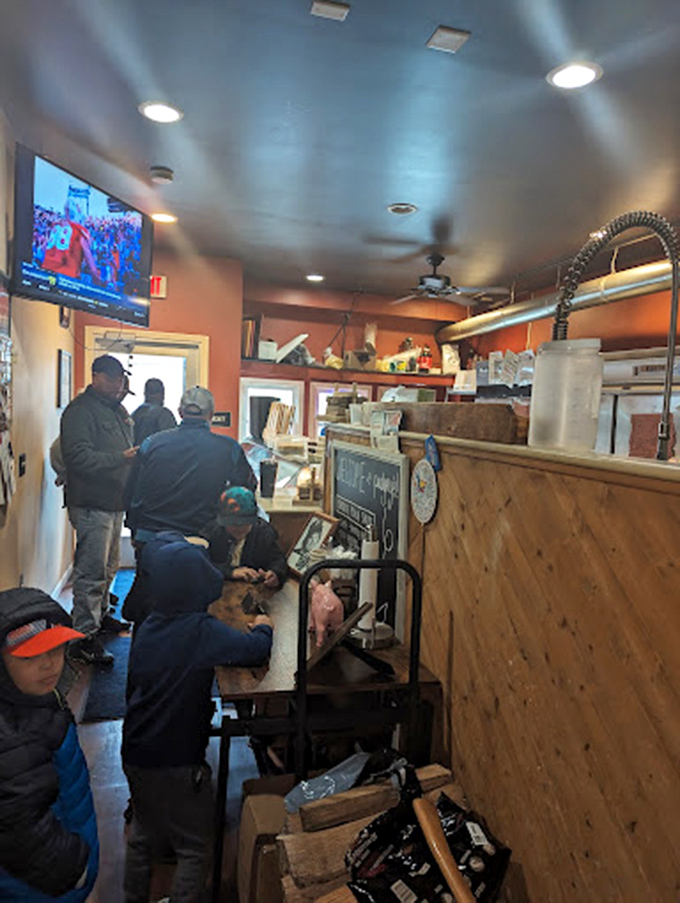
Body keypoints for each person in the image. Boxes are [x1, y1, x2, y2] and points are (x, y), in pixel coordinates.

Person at [122, 536, 273, 903]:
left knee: (143, 837)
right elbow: (254, 650)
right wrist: (265, 625)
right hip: (177, 759)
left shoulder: (150, 624)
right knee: (194, 847)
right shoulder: (200, 631)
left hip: (135, 755)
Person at [123, 386, 257, 623]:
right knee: (193, 609)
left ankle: (144, 653)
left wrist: (134, 529)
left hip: (151, 539)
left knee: (149, 605)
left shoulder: (151, 444)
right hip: (199, 542)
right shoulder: (229, 448)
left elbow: (132, 492)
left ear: (180, 412)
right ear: (211, 414)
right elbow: (244, 490)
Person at [0, 587, 99, 900]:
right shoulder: (11, 737)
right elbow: (17, 827)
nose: (50, 665)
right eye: (31, 655)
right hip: (43, 885)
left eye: (56, 649)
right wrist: (75, 869)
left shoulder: (35, 697)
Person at [60, 354, 137, 666]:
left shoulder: (116, 409)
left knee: (109, 567)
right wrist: (122, 458)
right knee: (91, 571)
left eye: (120, 379)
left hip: (114, 502)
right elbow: (78, 457)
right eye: (113, 378)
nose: (118, 384)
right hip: (92, 503)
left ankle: (102, 616)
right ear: (97, 377)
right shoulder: (80, 411)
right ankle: (83, 638)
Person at [209, 486, 287, 589]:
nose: (238, 528)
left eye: (244, 524)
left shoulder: (264, 533)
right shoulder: (213, 533)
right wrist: (230, 572)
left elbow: (278, 560)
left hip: (253, 589)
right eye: (232, 524)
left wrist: (276, 574)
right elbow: (203, 563)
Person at [41, 184, 100, 282]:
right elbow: (90, 261)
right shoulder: (78, 231)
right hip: (66, 279)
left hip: (47, 275)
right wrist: (97, 278)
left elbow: (43, 249)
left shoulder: (56, 227)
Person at [131, 377, 177, 446]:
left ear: (145, 393)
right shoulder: (164, 414)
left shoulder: (134, 414)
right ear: (162, 394)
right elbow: (171, 441)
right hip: (157, 455)